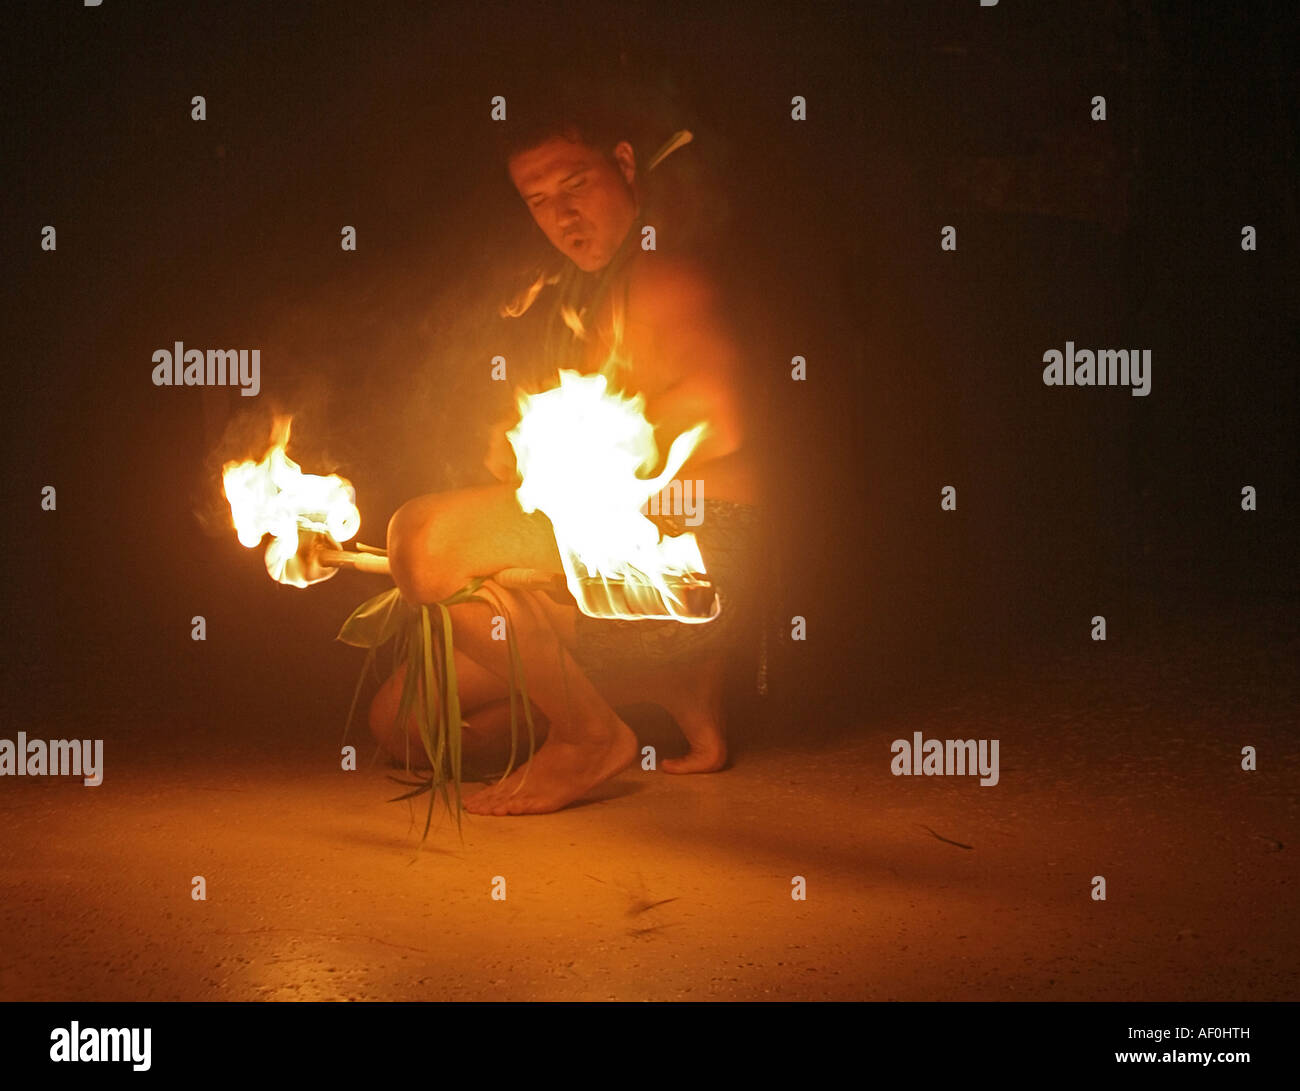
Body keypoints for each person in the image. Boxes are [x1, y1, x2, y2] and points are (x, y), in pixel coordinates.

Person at [368, 95, 760, 816]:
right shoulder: (595, 293)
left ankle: (587, 737)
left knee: (423, 541)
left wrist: (569, 455)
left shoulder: (664, 271)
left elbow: (722, 417)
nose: (562, 216)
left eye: (575, 185)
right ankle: (667, 682)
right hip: (615, 564)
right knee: (406, 720)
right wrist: (534, 460)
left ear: (623, 165)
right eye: (539, 199)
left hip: (702, 547)